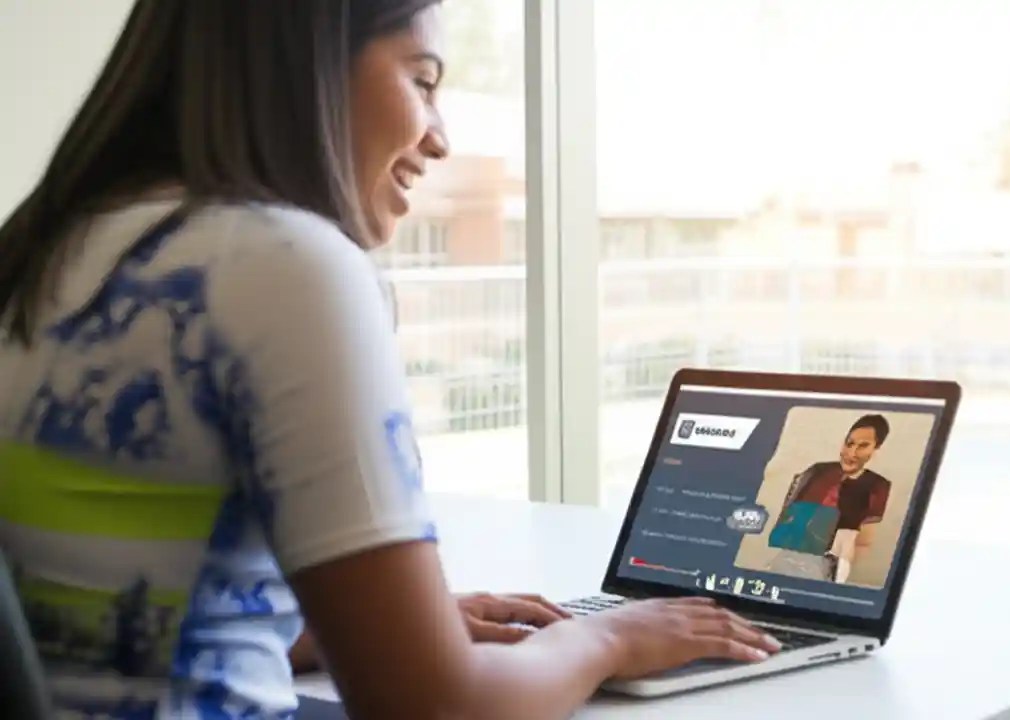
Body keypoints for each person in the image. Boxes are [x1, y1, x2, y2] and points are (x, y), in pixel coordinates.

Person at [0, 2, 779, 718]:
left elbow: (84, 625)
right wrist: (605, 637)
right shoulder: (278, 262)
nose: (439, 137)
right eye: (422, 81)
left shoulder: (41, 249)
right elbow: (437, 708)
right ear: (308, 64)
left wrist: (382, 629)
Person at [766, 415, 892, 583]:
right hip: (785, 561)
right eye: (849, 443)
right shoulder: (816, 471)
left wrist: (837, 579)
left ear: (876, 449)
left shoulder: (877, 486)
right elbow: (787, 518)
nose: (852, 453)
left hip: (824, 570)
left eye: (863, 446)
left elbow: (863, 543)